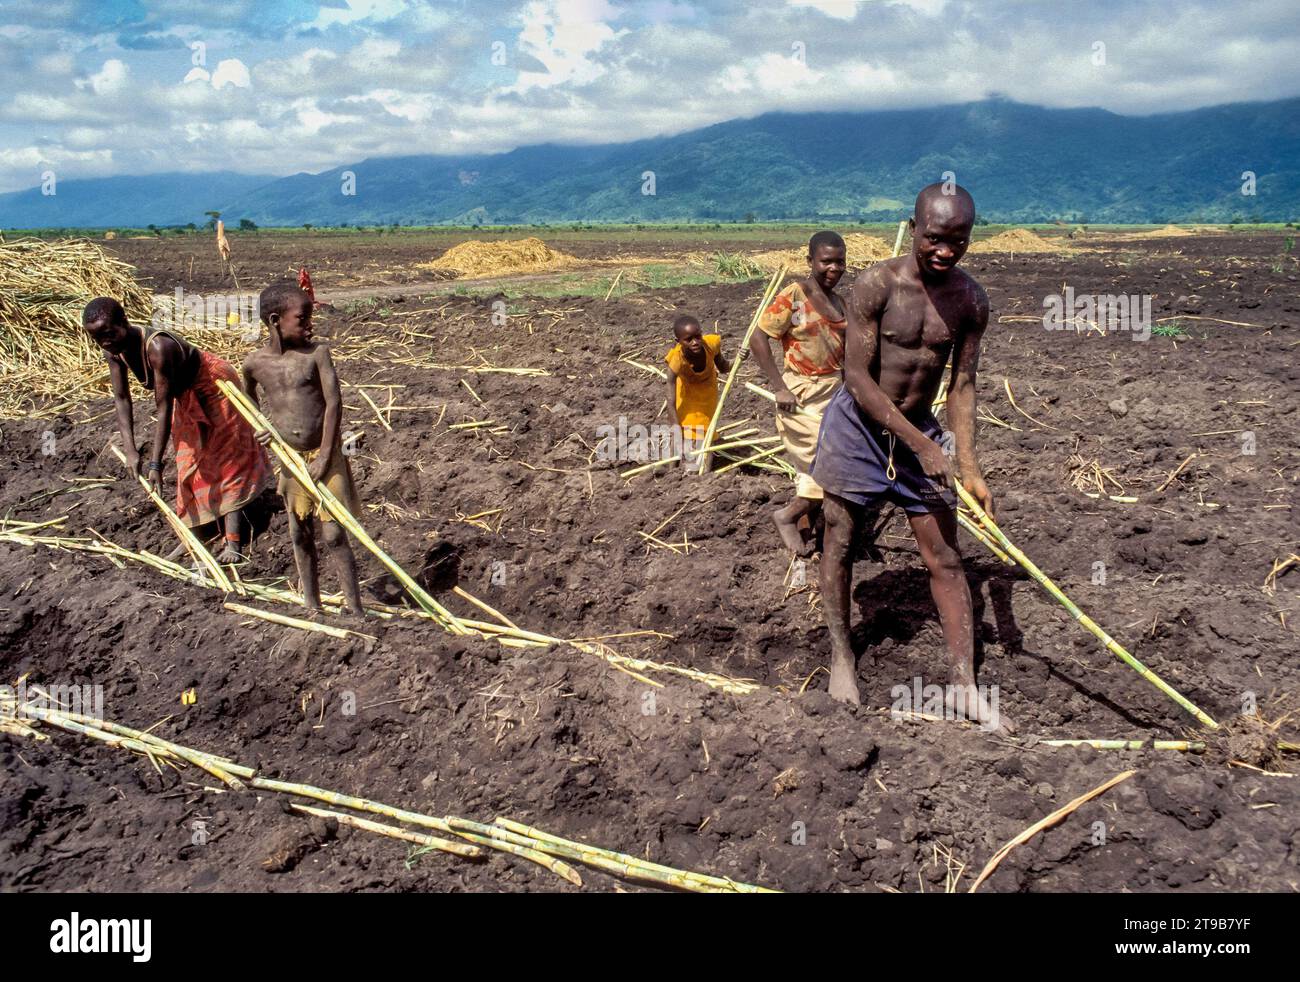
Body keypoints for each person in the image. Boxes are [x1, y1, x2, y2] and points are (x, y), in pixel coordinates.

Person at [810, 184, 1011, 732]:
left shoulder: (971, 300)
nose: (945, 251)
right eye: (935, 238)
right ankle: (842, 656)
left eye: (959, 241)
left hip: (919, 431)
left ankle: (964, 687)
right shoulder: (877, 285)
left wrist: (968, 464)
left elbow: (963, 385)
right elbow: (854, 376)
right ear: (914, 228)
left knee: (946, 558)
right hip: (858, 429)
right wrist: (925, 446)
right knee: (841, 540)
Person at [83, 297, 270, 563]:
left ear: (124, 322)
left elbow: (163, 408)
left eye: (109, 333)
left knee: (226, 458)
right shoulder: (113, 350)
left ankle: (233, 542)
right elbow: (122, 399)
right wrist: (131, 450)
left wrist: (156, 463)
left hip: (214, 385)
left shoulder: (159, 347)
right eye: (97, 338)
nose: (105, 341)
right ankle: (193, 537)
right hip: (186, 394)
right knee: (189, 460)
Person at [241, 282, 364, 615]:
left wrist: (324, 456)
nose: (309, 325)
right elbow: (247, 401)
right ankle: (312, 604)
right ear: (275, 320)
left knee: (335, 535)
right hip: (291, 461)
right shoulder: (254, 364)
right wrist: (260, 428)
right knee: (299, 534)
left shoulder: (317, 354)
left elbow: (334, 403)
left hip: (325, 456)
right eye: (302, 318)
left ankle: (354, 608)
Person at [749, 230, 847, 556]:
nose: (834, 268)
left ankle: (814, 538)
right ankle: (788, 516)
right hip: (802, 395)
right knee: (828, 463)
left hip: (836, 392)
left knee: (822, 467)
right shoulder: (795, 298)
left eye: (840, 262)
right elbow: (758, 338)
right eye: (826, 261)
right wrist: (779, 387)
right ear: (810, 261)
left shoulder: (841, 304)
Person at [664, 314, 730, 470]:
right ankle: (671, 469)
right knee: (680, 429)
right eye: (689, 340)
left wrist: (739, 359)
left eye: (698, 336)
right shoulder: (676, 360)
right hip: (686, 394)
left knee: (706, 430)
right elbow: (670, 398)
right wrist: (675, 426)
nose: (695, 342)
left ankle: (705, 471)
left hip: (707, 393)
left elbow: (724, 367)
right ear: (678, 342)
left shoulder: (711, 345)